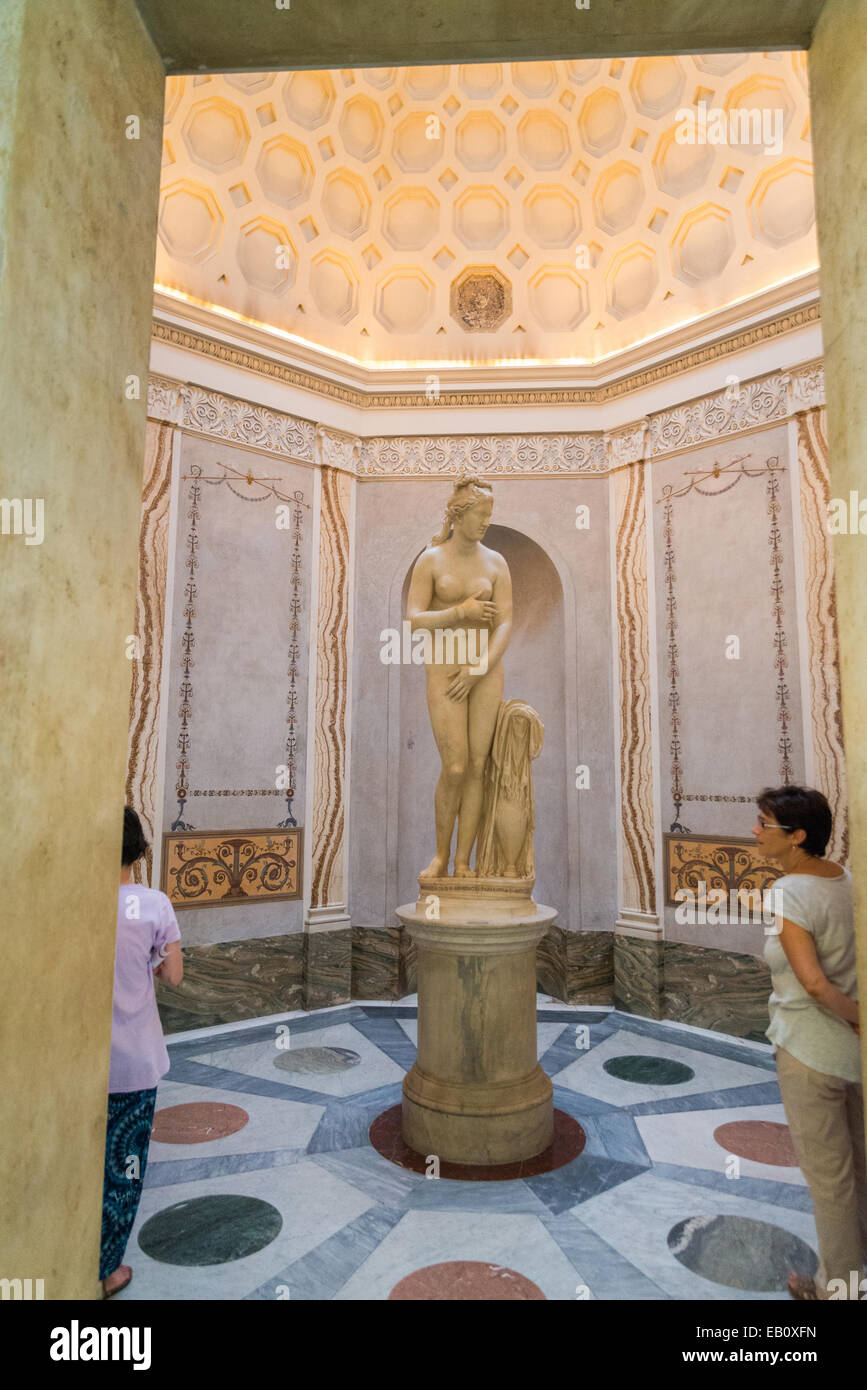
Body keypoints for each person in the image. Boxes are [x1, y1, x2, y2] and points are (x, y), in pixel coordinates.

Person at [754, 786, 865, 1299]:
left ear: (796, 837)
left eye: (765, 824)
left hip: (810, 1048)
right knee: (859, 1162)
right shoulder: (843, 875)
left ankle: (837, 1289)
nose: (755, 832)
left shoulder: (786, 892)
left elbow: (814, 982)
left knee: (830, 1179)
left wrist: (859, 1018)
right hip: (850, 1053)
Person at [406, 473, 512, 878]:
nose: (486, 522)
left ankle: (464, 863)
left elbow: (505, 624)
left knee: (478, 766)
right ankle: (440, 856)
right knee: (454, 767)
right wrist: (459, 613)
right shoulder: (431, 560)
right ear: (459, 514)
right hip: (446, 672)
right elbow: (414, 620)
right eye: (481, 514)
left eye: (490, 515)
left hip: (485, 671)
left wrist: (480, 668)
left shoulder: (496, 562)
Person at [100, 807, 182, 1298]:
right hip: (135, 1062)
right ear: (141, 851)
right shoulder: (153, 905)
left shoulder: (76, 904)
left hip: (81, 1064)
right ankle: (107, 1269)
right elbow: (173, 976)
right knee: (124, 1165)